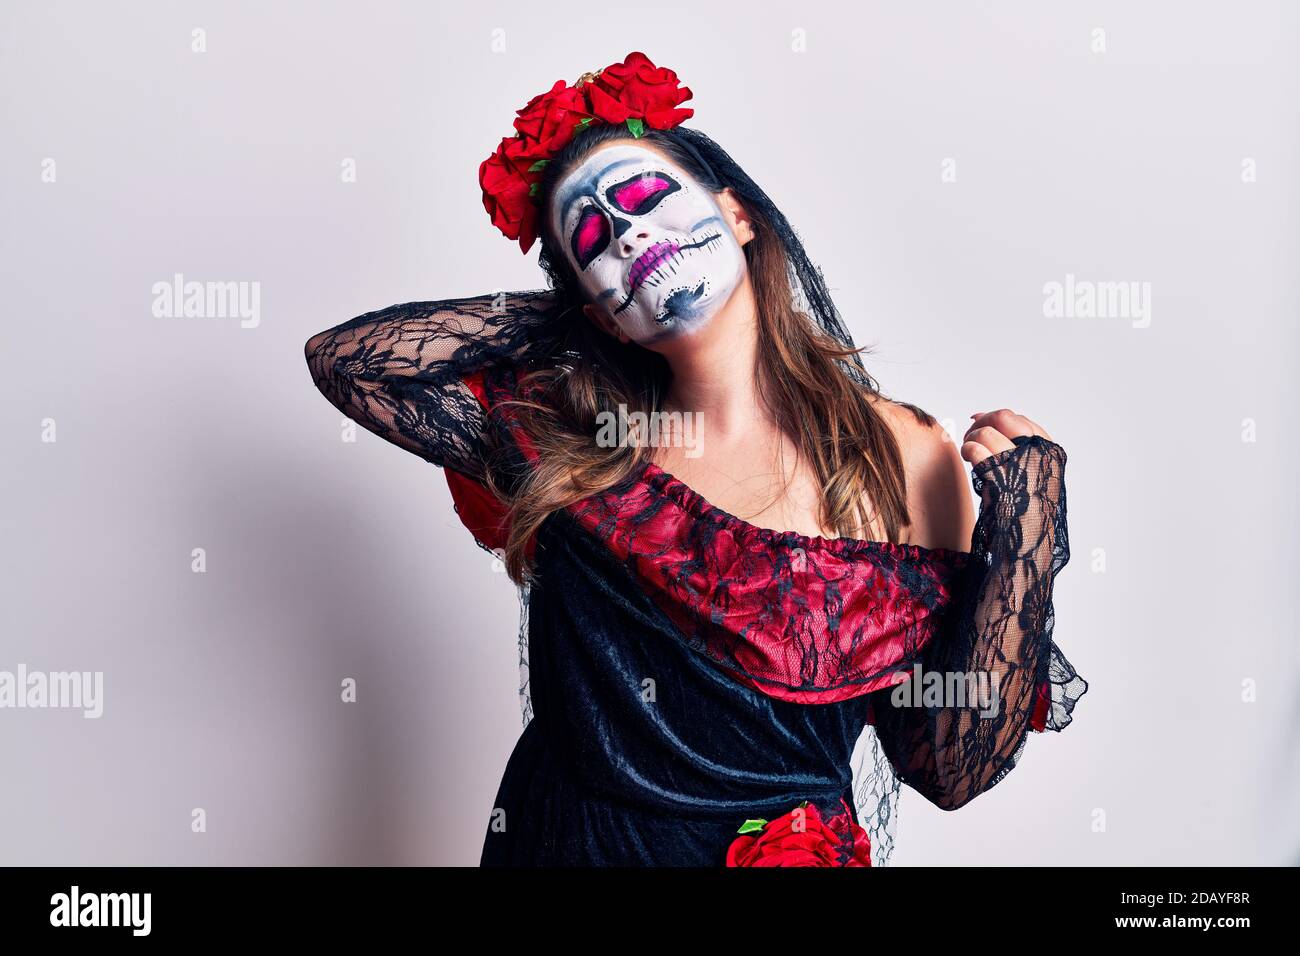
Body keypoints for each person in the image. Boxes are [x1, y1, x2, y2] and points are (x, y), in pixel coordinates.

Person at [304, 52, 1088, 867]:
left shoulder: (904, 457)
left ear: (739, 215)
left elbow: (949, 767)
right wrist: (603, 293)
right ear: (600, 319)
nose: (633, 233)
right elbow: (349, 361)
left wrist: (1026, 535)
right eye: (596, 239)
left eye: (648, 201)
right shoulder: (572, 445)